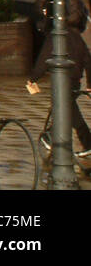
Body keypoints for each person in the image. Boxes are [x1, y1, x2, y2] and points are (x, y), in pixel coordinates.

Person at [28, 10, 91, 158]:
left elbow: (44, 59)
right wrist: (89, 83)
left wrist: (33, 78)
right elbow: (88, 59)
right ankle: (50, 137)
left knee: (70, 113)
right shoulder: (77, 37)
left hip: (61, 81)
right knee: (65, 110)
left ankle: (87, 143)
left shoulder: (55, 36)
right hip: (75, 81)